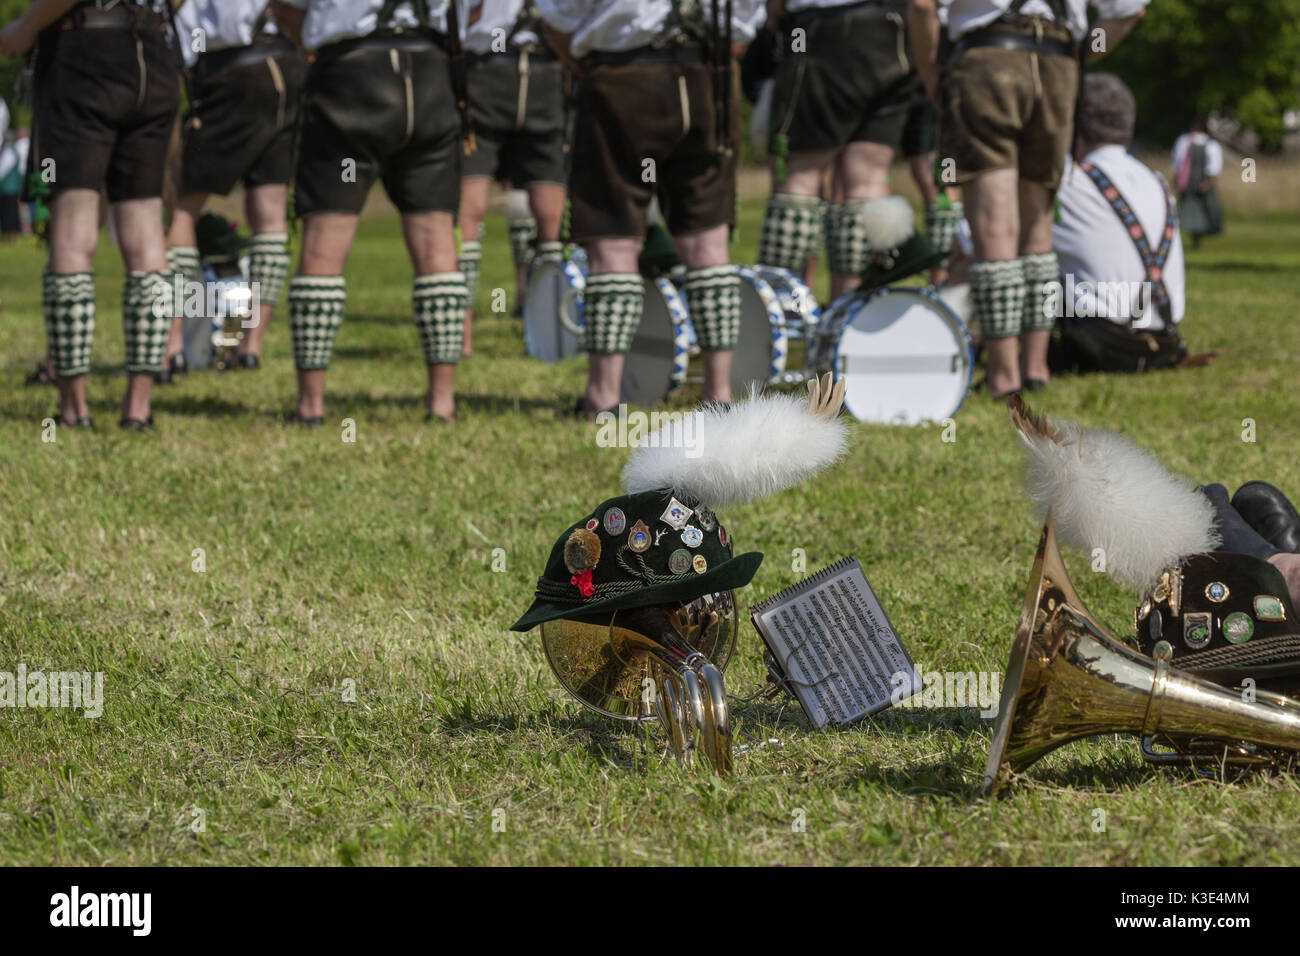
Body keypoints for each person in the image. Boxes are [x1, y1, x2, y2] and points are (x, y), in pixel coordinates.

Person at [909, 0, 1146, 399]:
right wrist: (1081, 55)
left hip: (987, 56)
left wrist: (929, 69)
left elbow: (921, 6)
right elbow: (1128, 10)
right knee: (1039, 230)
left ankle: (1003, 375)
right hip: (1057, 62)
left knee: (994, 229)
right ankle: (1035, 366)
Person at [539, 0, 765, 417]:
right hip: (707, 80)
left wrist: (590, 62)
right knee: (707, 243)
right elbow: (746, 22)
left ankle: (603, 400)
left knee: (614, 244)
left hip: (624, 77)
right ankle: (718, 397)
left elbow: (557, 19)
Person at [273, 0, 470, 424]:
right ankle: (442, 404)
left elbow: (286, 8)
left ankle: (311, 406)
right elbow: (473, 11)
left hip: (350, 73)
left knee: (325, 241)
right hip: (429, 74)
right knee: (436, 239)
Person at [0, 0, 181, 430]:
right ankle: (138, 408)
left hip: (86, 53)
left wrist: (26, 26)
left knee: (72, 233)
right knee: (145, 235)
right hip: (153, 54)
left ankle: (73, 409)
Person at [162, 0, 307, 376]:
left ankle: (173, 344)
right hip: (286, 67)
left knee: (180, 209)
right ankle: (250, 345)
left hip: (230, 69)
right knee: (270, 214)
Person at [757, 0, 914, 300]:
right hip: (892, 31)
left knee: (800, 179)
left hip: (821, 30)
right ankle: (849, 317)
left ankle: (775, 311)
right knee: (867, 182)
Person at [1051, 73, 1187, 372]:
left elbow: (981, 240)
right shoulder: (1158, 182)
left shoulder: (1068, 182)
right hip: (1164, 342)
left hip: (1100, 346)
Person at [457, 0, 567, 356]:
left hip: (540, 71)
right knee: (468, 209)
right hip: (489, 70)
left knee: (549, 213)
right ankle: (460, 332)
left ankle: (550, 324)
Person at [1171, 117, 1222, 250]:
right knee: (1190, 212)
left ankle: (1198, 241)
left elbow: (1178, 161)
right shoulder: (1185, 141)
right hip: (1189, 181)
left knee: (1201, 213)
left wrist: (1207, 182)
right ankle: (1195, 241)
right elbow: (1179, 161)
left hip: (1200, 180)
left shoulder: (1206, 144)